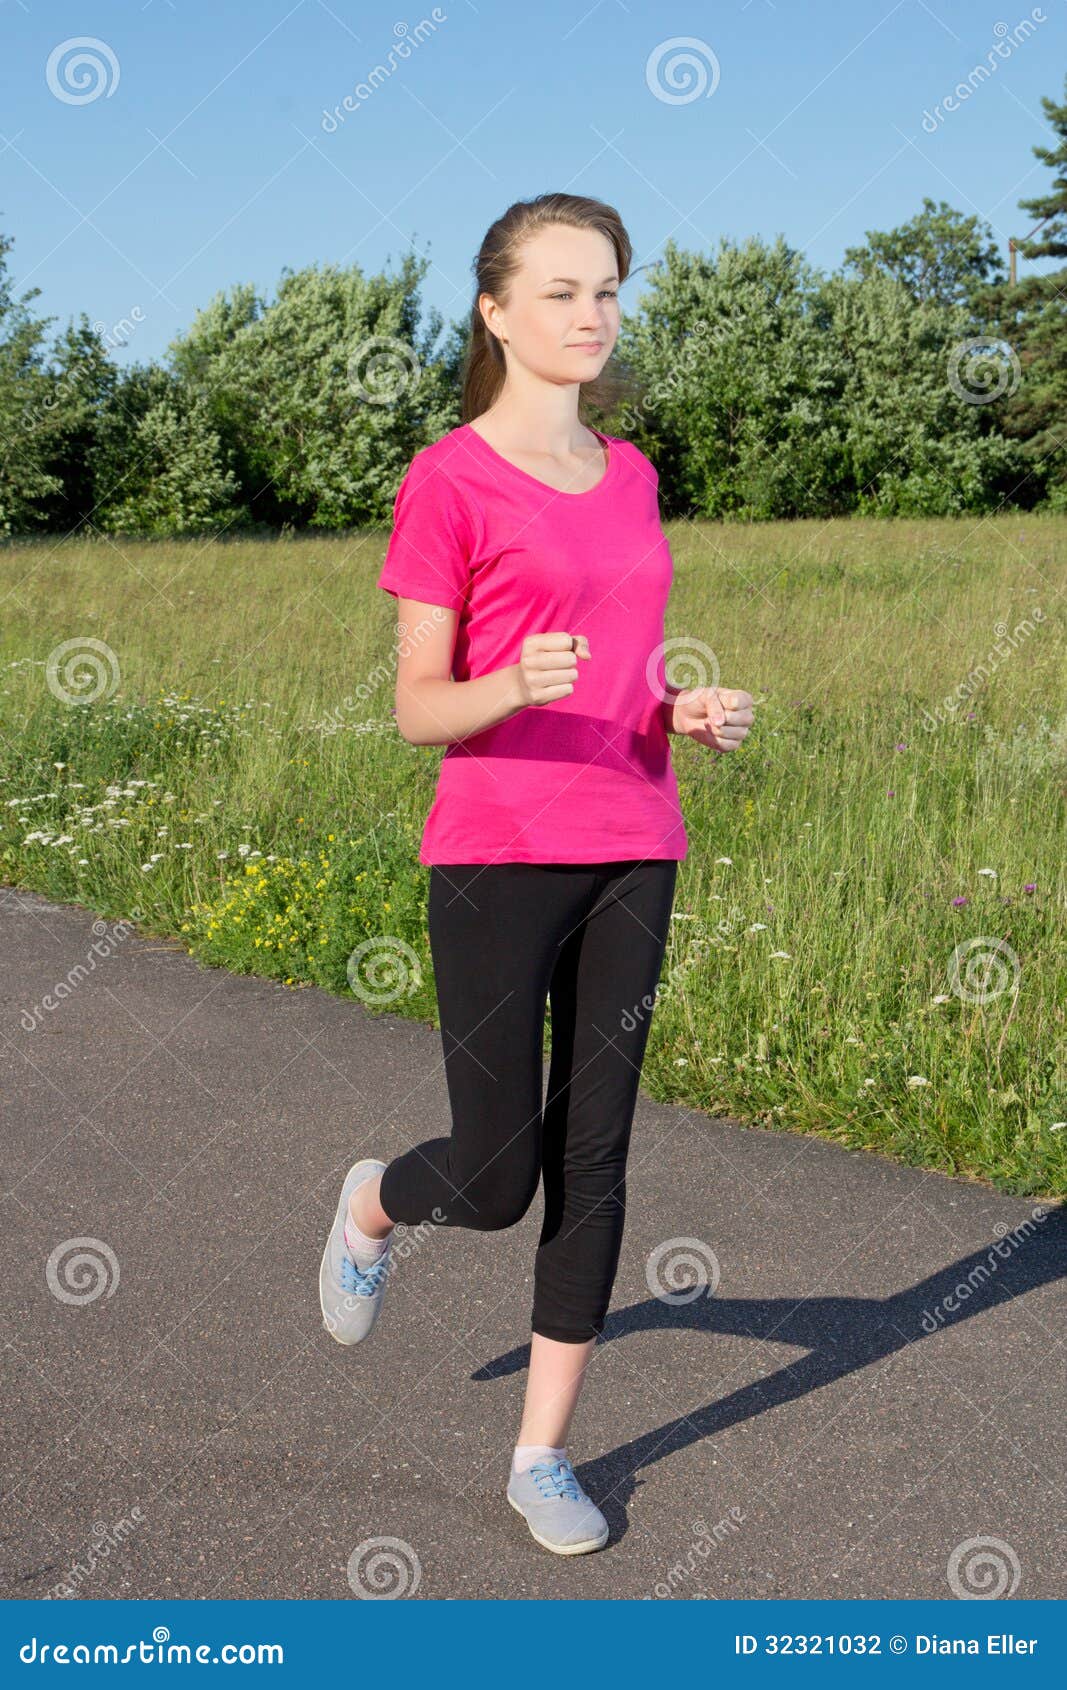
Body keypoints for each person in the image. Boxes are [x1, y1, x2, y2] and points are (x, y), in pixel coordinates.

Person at [319, 191, 754, 1556]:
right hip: (499, 851)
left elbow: (633, 659)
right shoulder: (448, 478)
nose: (592, 315)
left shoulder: (629, 473)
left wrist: (681, 707)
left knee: (598, 1153)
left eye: (610, 290)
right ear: (497, 310)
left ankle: (542, 1454)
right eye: (563, 290)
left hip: (637, 836)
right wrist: (507, 681)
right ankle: (375, 1200)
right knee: (499, 1174)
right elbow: (415, 706)